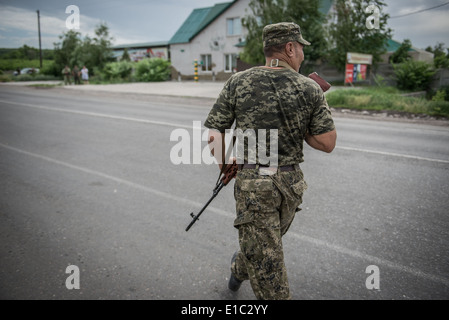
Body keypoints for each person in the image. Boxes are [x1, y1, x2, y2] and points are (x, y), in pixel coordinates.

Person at [204, 22, 337, 300]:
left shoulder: (238, 81)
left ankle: (240, 264)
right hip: (290, 185)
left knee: (265, 245)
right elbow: (327, 143)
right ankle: (248, 262)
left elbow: (214, 133)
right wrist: (302, 124)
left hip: (254, 184)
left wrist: (226, 164)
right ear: (289, 48)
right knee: (273, 281)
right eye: (300, 48)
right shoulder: (309, 88)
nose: (301, 54)